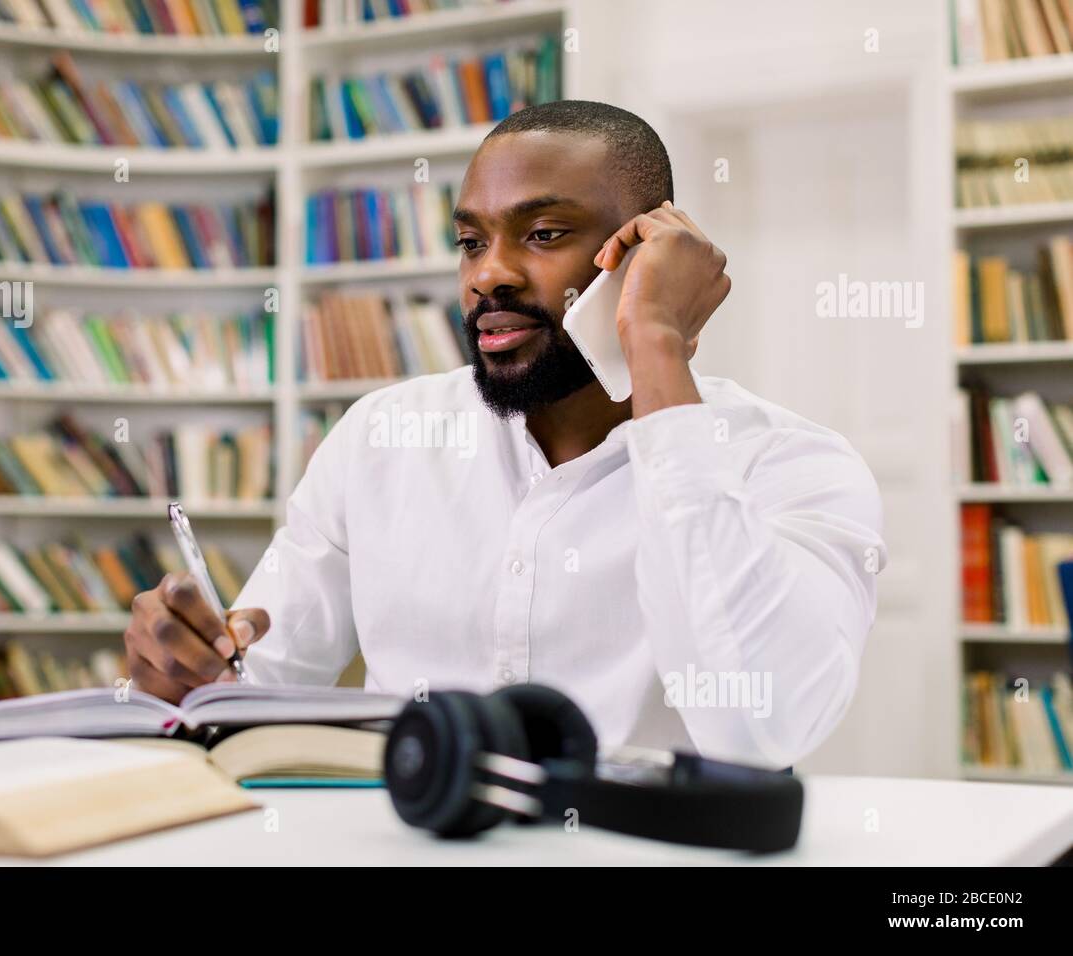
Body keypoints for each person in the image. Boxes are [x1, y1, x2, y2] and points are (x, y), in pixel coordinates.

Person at [123, 100, 886, 768]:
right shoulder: (379, 440)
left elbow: (760, 728)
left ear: (647, 252)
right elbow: (253, 693)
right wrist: (189, 673)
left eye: (544, 234)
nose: (490, 275)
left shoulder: (793, 464)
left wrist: (656, 344)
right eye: (471, 242)